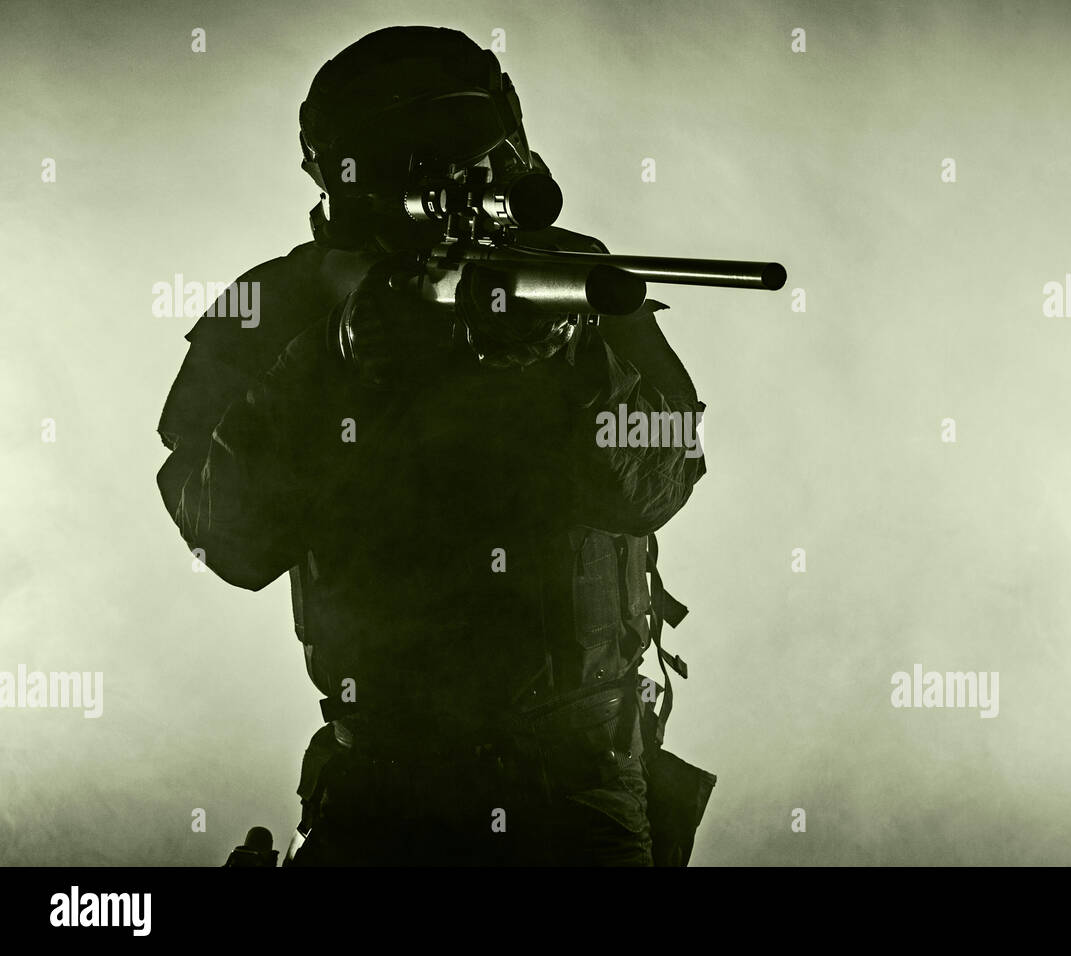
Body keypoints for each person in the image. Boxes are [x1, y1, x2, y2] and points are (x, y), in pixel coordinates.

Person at [155, 26, 706, 866]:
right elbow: (225, 537)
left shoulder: (568, 278)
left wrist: (575, 362)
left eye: (475, 155)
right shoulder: (278, 303)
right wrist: (332, 359)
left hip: (578, 782)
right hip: (384, 782)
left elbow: (658, 481)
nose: (462, 184)